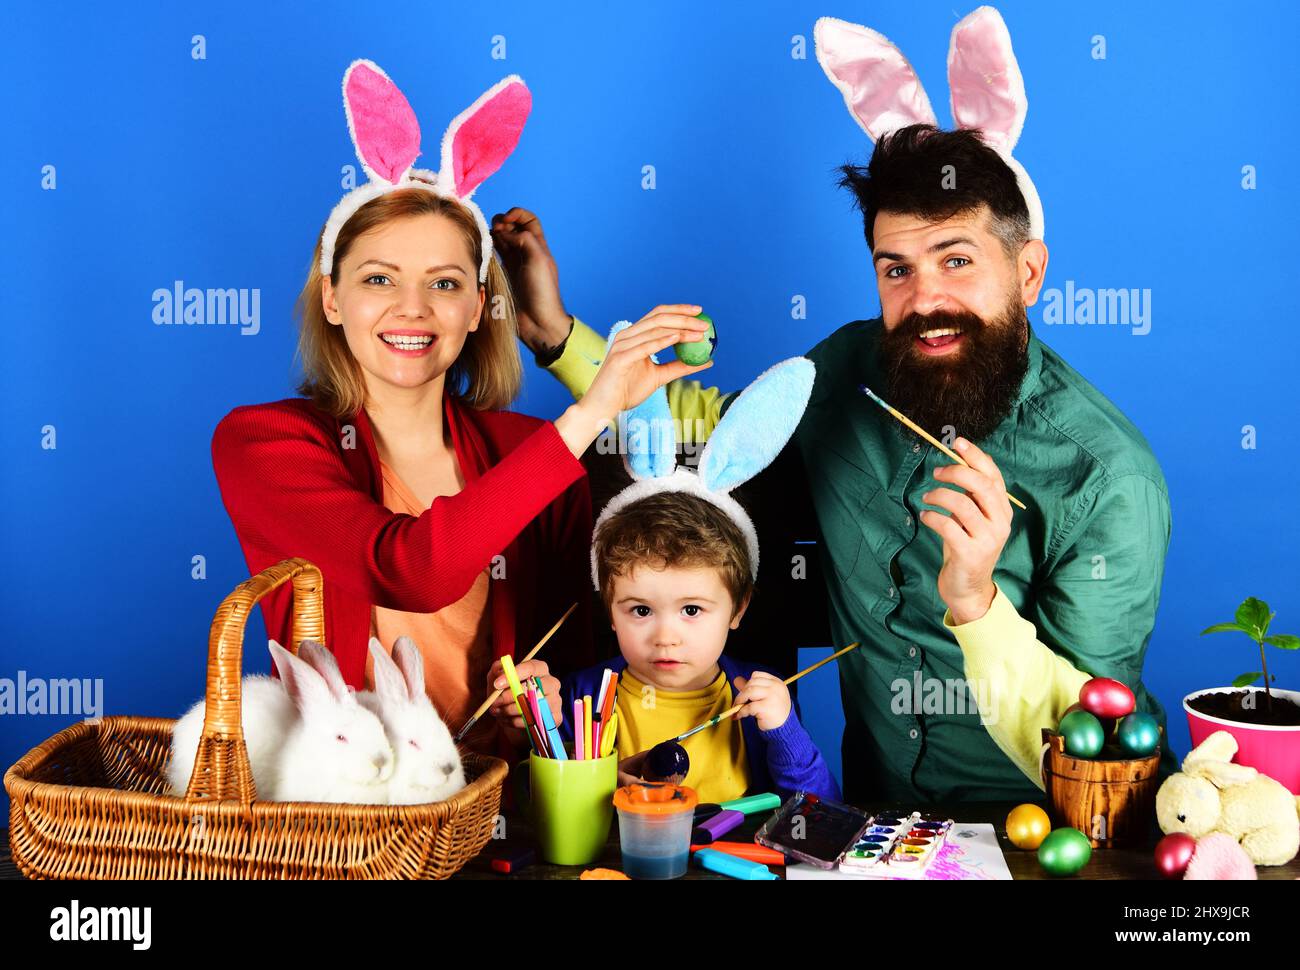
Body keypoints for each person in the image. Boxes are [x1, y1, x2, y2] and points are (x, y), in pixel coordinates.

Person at [490, 125, 1176, 801]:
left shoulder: (1109, 478)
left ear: (1028, 272)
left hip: (1030, 835)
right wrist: (554, 334)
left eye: (956, 260)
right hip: (870, 825)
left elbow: (1101, 744)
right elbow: (707, 428)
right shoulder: (851, 369)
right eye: (896, 269)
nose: (925, 300)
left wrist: (977, 601)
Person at [210, 61, 712, 759]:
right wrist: (591, 409)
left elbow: (579, 663)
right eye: (378, 279)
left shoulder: (530, 452)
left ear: (478, 307)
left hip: (501, 816)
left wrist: (541, 707)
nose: (412, 309)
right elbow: (408, 569)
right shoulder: (261, 442)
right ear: (332, 299)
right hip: (346, 824)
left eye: (444, 283)